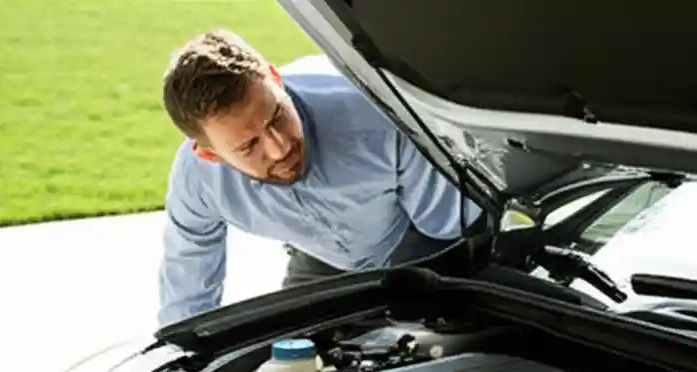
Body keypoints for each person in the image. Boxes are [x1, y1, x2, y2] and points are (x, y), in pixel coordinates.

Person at [155, 29, 482, 326]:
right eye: (249, 145)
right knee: (285, 355)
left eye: (277, 116)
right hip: (320, 258)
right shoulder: (198, 181)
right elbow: (188, 281)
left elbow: (455, 224)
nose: (279, 148)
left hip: (418, 242)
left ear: (274, 78)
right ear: (210, 155)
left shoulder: (375, 113)